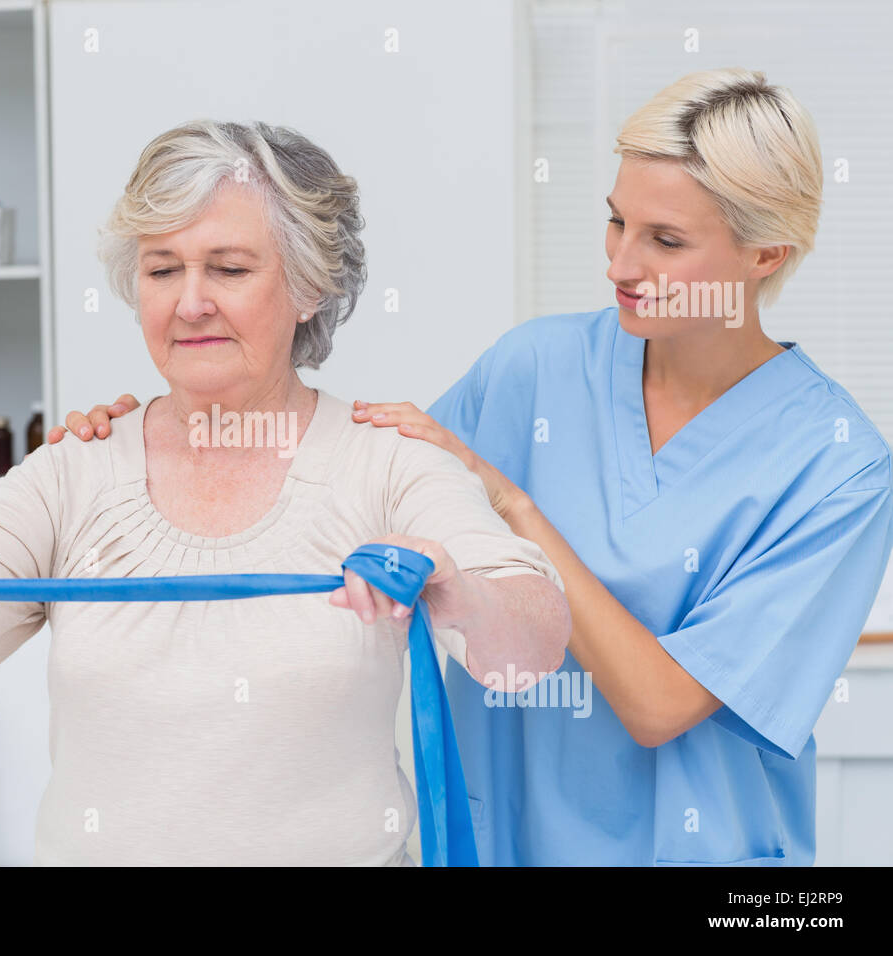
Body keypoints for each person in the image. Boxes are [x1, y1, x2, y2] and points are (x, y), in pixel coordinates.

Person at [52, 70, 893, 865]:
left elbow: (661, 704)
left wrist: (513, 504)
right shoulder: (536, 366)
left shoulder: (836, 467)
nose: (621, 266)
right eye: (616, 222)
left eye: (666, 241)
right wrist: (162, 440)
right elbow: (342, 501)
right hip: (496, 841)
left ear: (766, 256)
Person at [0, 120, 571, 866]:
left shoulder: (387, 462)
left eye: (230, 269)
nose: (190, 302)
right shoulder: (74, 469)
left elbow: (529, 652)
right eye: (162, 268)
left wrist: (457, 590)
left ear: (309, 286)